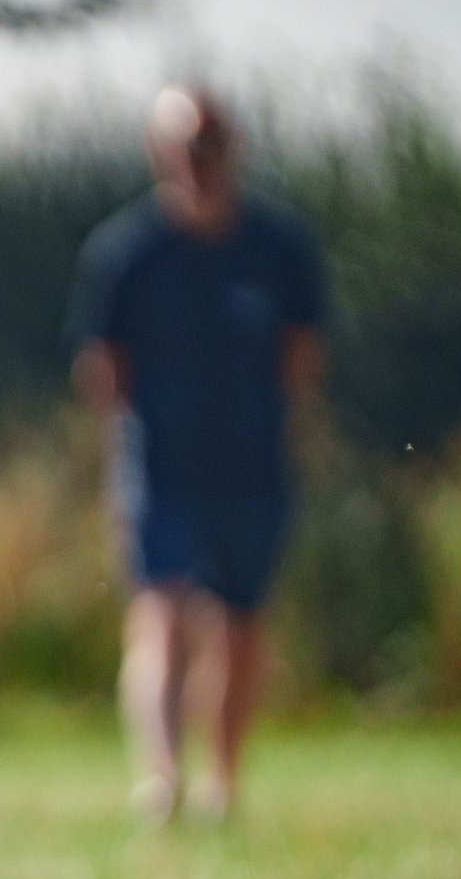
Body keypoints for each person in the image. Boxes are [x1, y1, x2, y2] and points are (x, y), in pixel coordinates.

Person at [69, 86, 328, 823]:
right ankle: (162, 776)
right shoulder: (129, 253)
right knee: (162, 611)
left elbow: (302, 356)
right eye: (187, 149)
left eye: (213, 148)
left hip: (253, 464)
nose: (202, 164)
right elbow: (103, 367)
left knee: (242, 623)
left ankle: (224, 778)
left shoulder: (280, 248)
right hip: (162, 464)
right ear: (161, 155)